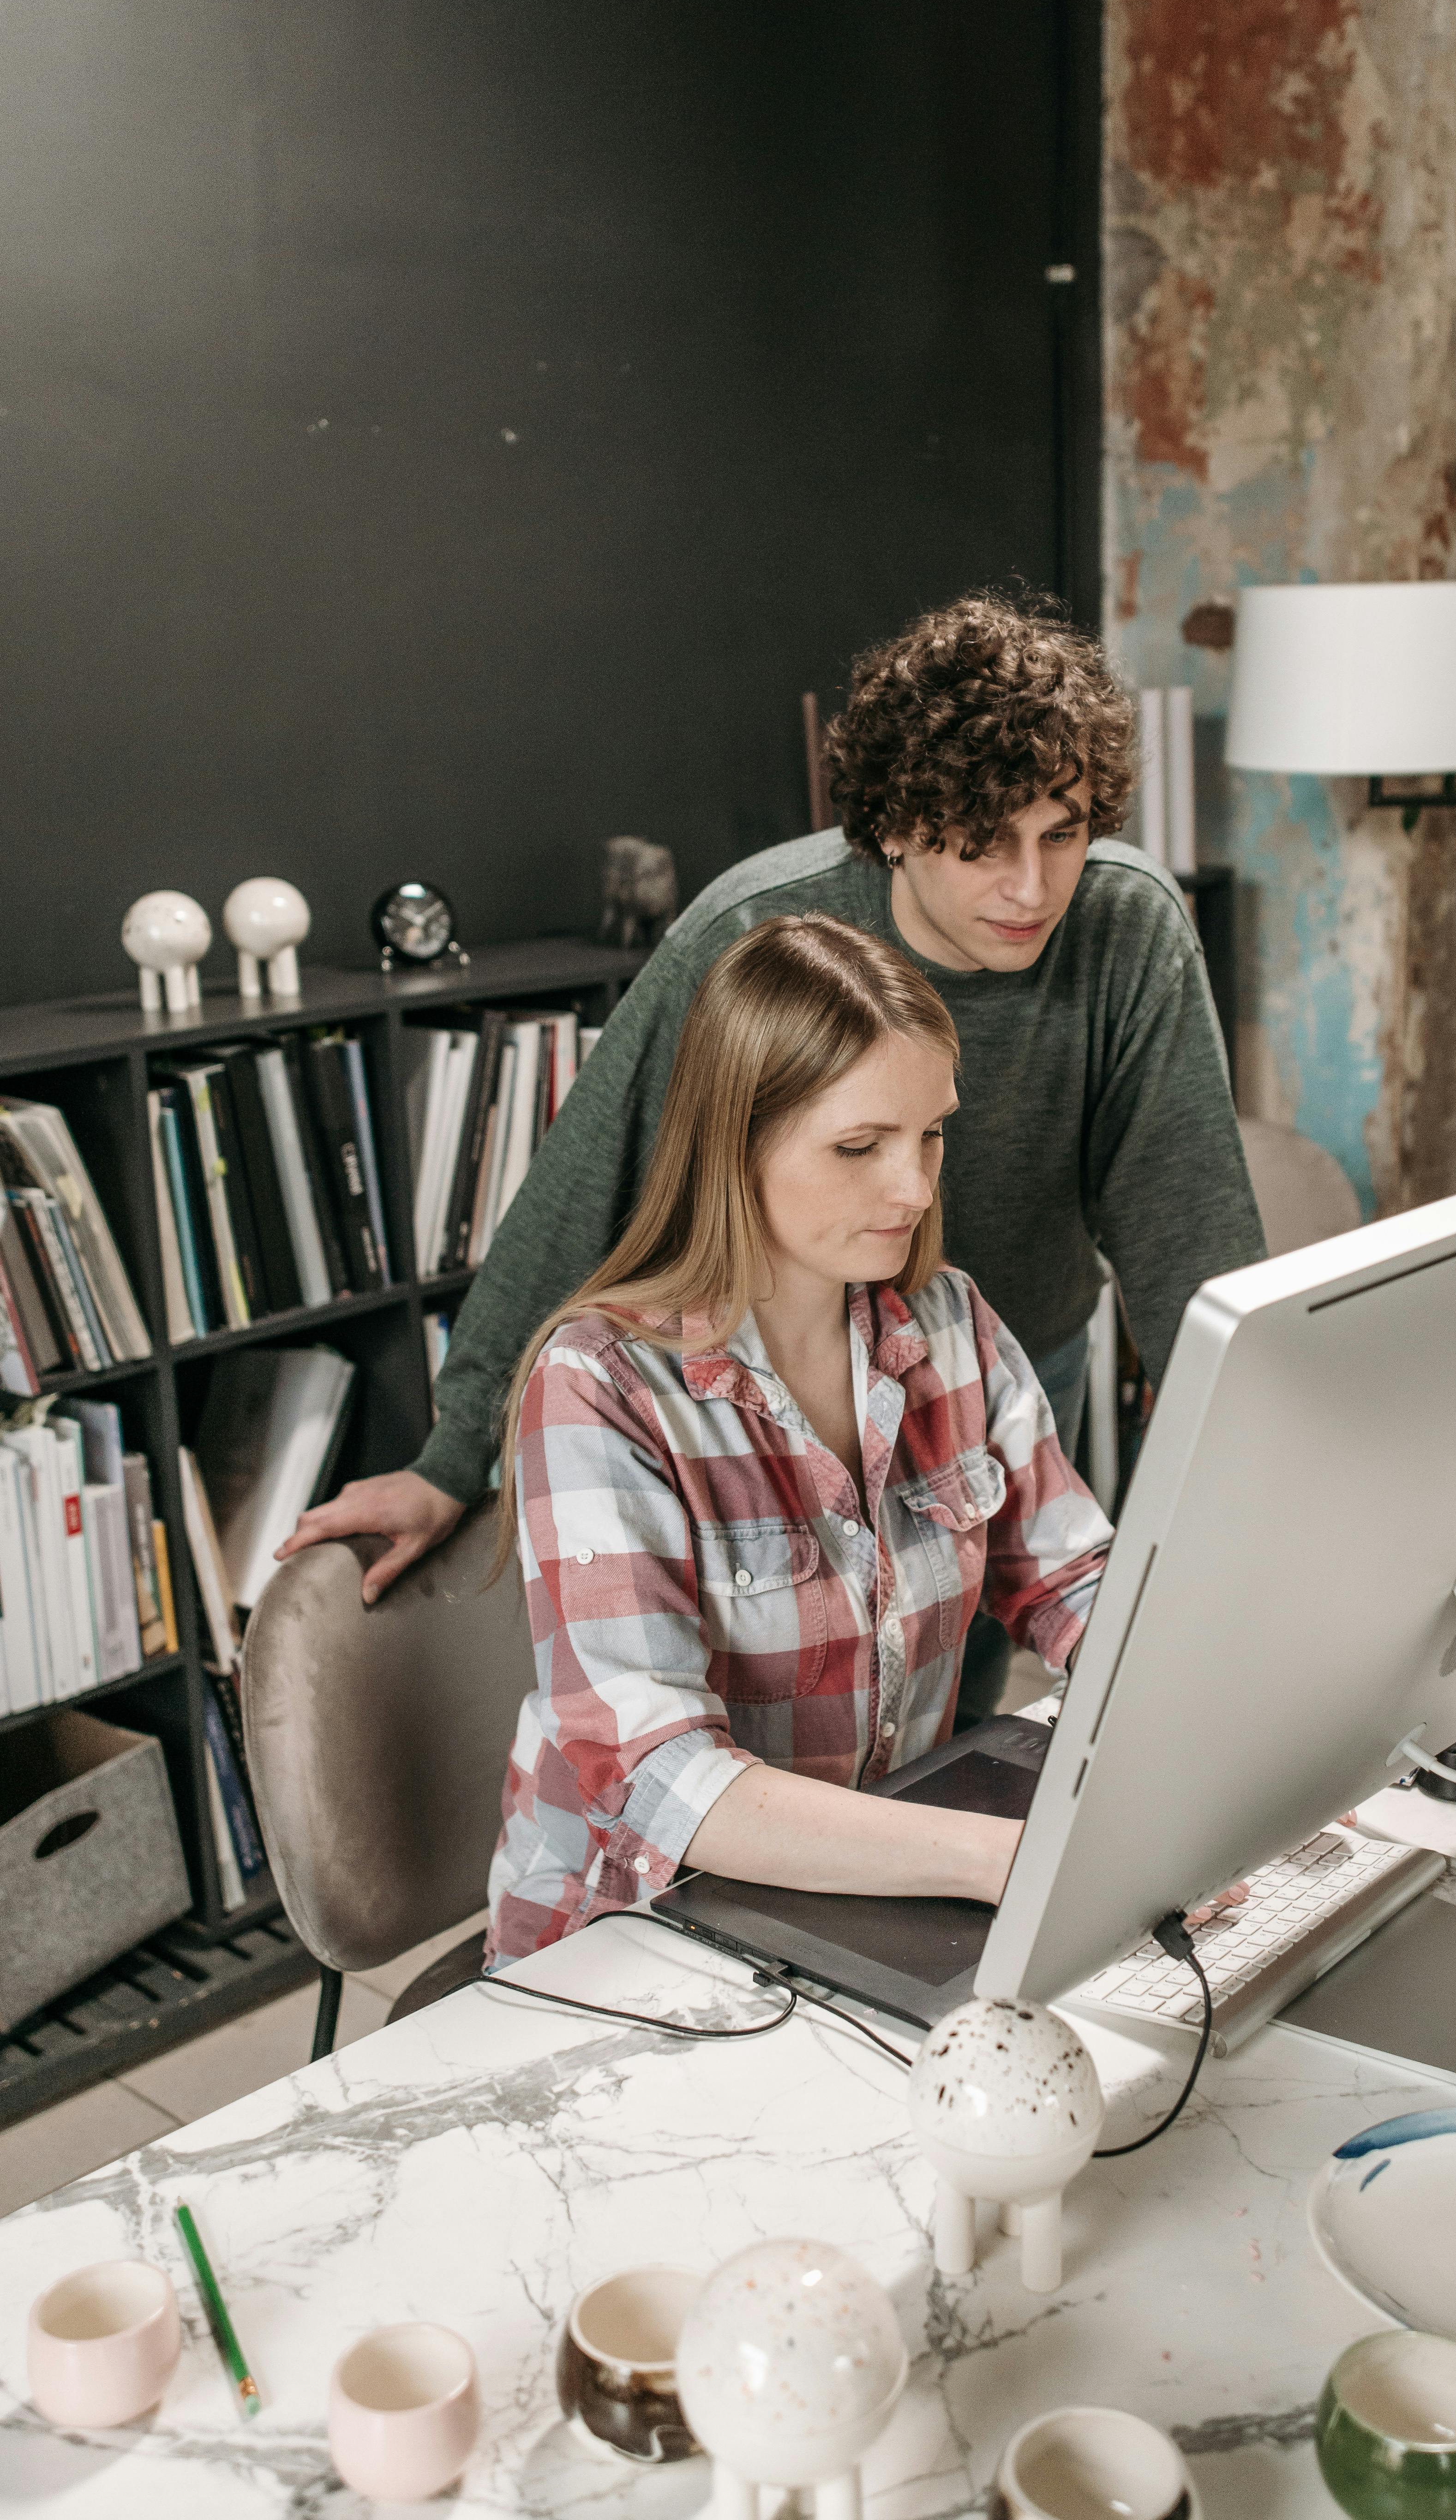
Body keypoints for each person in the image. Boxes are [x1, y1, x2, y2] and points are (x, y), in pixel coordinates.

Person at [280, 592, 1264, 1720]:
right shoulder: (755, 936)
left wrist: (1254, 1479)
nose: (1032, 888)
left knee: (943, 1701)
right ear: (896, 823)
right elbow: (582, 1184)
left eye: (1063, 834)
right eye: (984, 845)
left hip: (988, 1360)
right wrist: (453, 1458)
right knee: (777, 1703)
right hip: (770, 1374)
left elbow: (1190, 1241)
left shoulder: (1125, 928)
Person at [485, 915, 1113, 1959]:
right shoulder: (597, 1382)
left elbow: (1069, 1578)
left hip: (860, 1897)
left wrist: (1190, 1729)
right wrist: (1002, 1857)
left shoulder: (948, 1321)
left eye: (930, 1135)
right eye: (859, 1147)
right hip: (639, 1934)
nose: (912, 1188)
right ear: (734, 1142)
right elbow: (658, 1774)